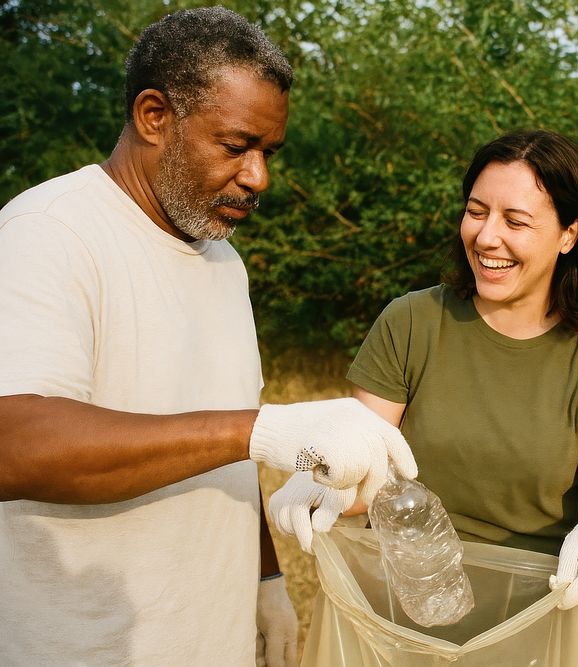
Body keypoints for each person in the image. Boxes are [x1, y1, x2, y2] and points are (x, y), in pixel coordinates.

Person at [0, 7, 416, 666]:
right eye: (236, 146)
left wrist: (266, 579)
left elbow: (230, 457)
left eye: (268, 152)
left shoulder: (225, 261)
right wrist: (259, 427)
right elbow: (13, 442)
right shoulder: (49, 233)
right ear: (153, 116)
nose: (259, 178)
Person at [269, 128, 578, 609]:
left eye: (515, 221)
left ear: (568, 235)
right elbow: (363, 469)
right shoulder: (411, 323)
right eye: (476, 212)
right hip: (404, 601)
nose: (486, 235)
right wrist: (317, 476)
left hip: (537, 616)